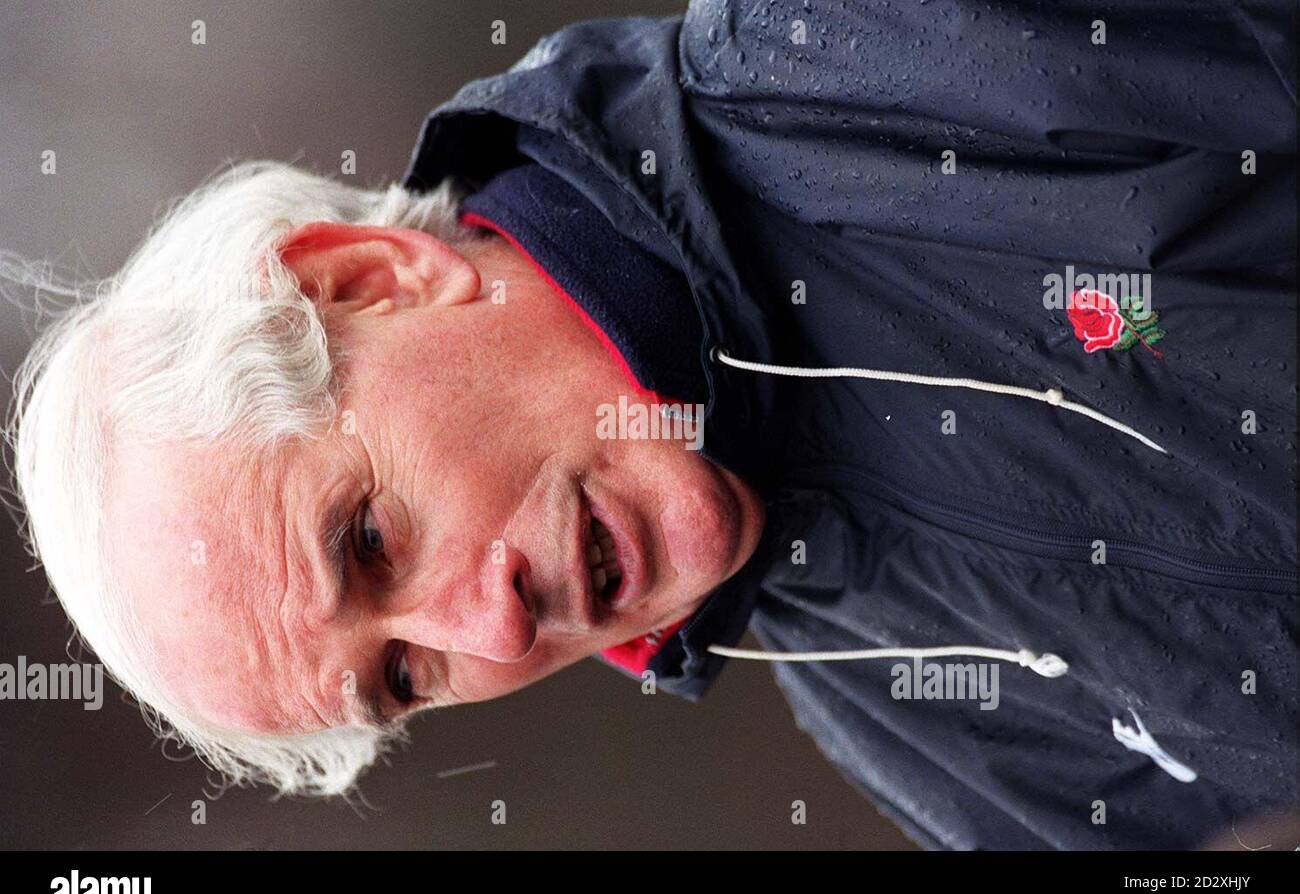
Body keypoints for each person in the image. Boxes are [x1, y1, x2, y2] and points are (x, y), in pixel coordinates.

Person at [7, 0, 1296, 848]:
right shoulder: (908, 727)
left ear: (368, 280)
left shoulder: (860, 52)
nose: (493, 628)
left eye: (371, 542)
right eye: (402, 679)